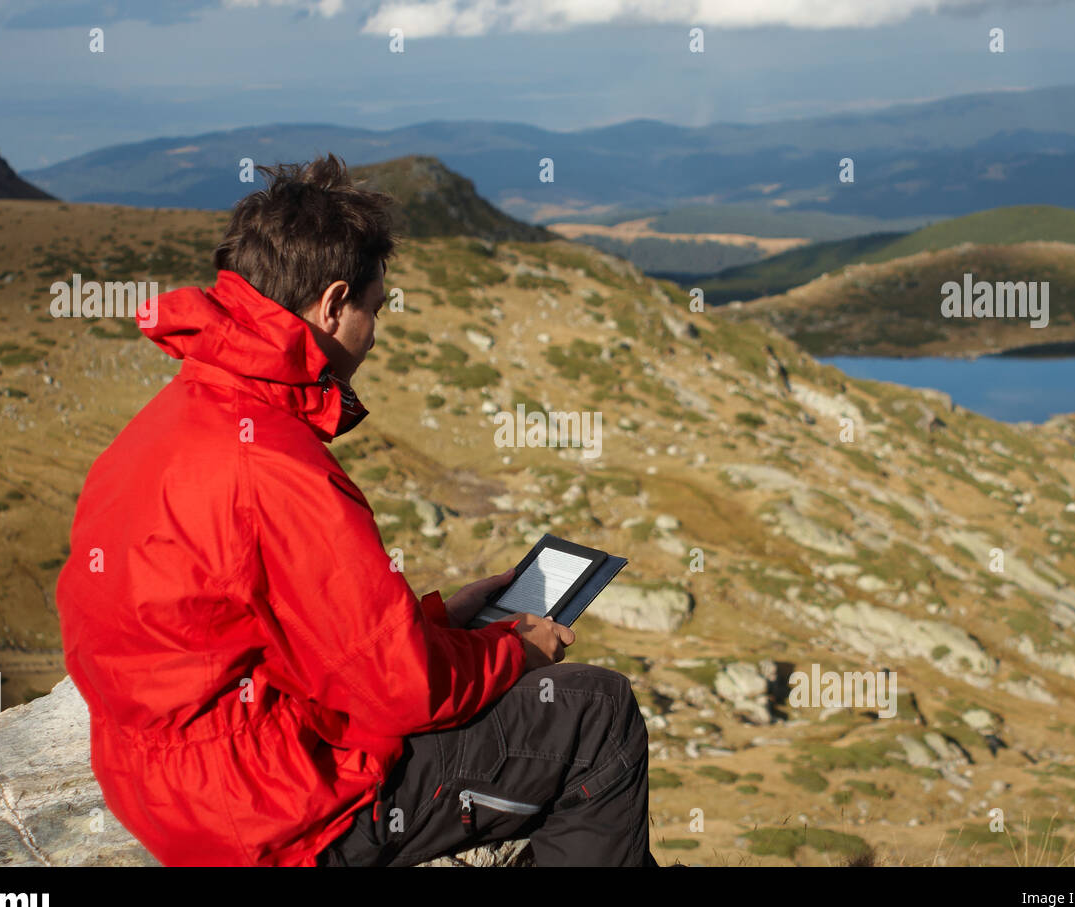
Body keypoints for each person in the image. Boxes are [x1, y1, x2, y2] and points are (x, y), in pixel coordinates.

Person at [56, 154, 656, 866]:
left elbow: (291, 642)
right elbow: (399, 692)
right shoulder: (275, 464)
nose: (375, 329)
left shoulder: (170, 420)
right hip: (268, 812)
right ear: (334, 303)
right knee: (595, 711)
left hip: (163, 785)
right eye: (374, 307)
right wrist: (515, 651)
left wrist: (442, 620)